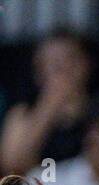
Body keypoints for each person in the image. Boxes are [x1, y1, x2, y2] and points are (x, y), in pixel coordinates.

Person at [1, 30, 94, 175]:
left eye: (69, 60)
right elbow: (12, 165)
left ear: (85, 64)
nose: (62, 69)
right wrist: (49, 106)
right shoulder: (22, 111)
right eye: (52, 62)